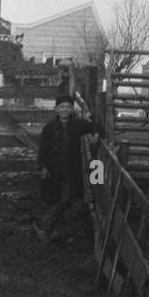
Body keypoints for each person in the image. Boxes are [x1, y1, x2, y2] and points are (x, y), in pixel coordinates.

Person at [34, 92, 96, 243]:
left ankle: (46, 227)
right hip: (54, 168)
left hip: (72, 169)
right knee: (62, 199)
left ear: (72, 109)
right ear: (56, 109)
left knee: (70, 199)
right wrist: (43, 167)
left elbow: (97, 127)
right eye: (62, 107)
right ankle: (45, 227)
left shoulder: (78, 124)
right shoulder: (49, 128)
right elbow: (43, 149)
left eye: (68, 107)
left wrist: (96, 135)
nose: (65, 110)